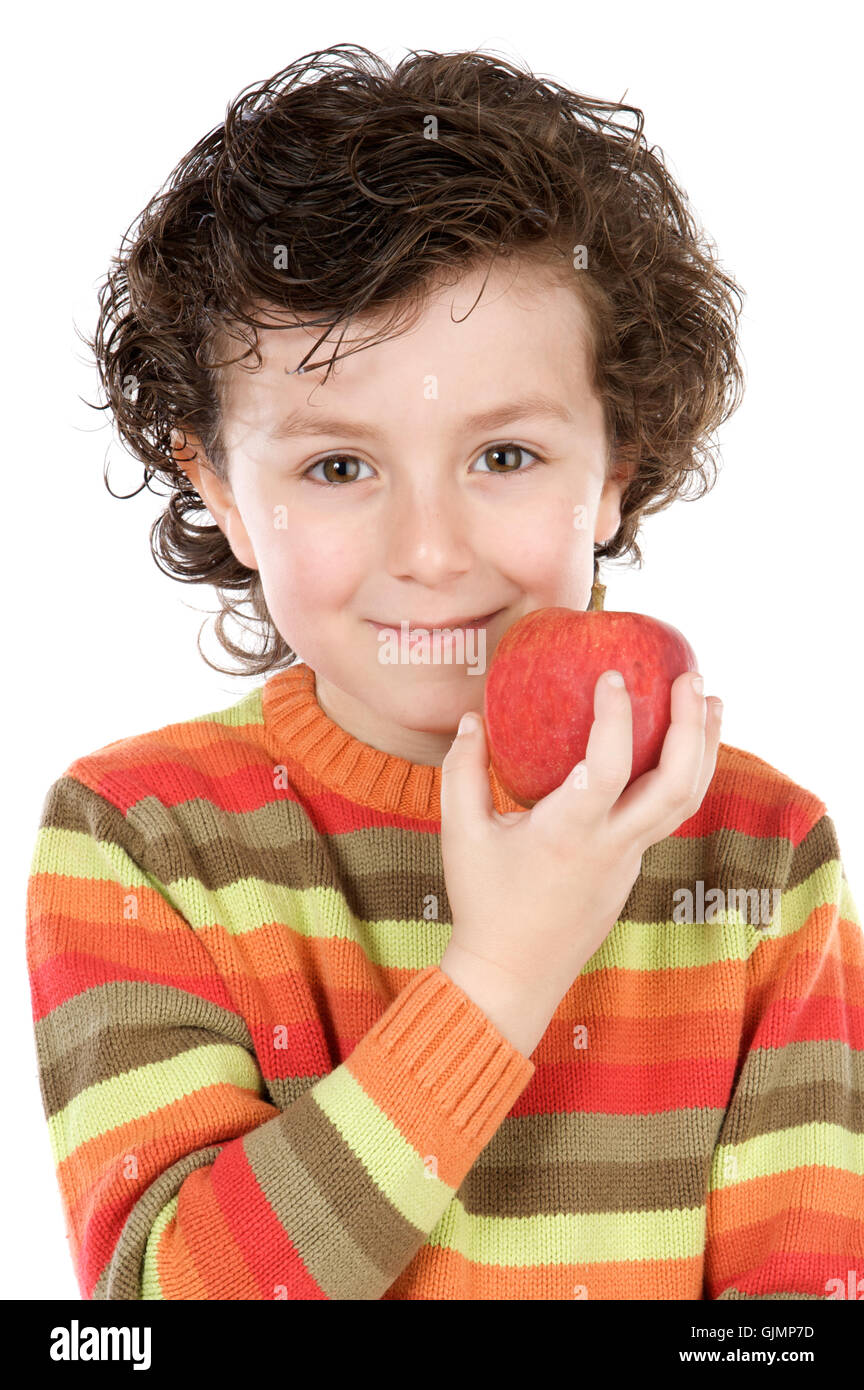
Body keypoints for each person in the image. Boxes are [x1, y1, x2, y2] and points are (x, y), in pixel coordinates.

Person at [26, 43, 863, 1300]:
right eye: (339, 468)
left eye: (508, 456)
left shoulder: (758, 854)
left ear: (617, 466)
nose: (431, 553)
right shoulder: (142, 840)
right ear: (225, 496)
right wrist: (503, 975)